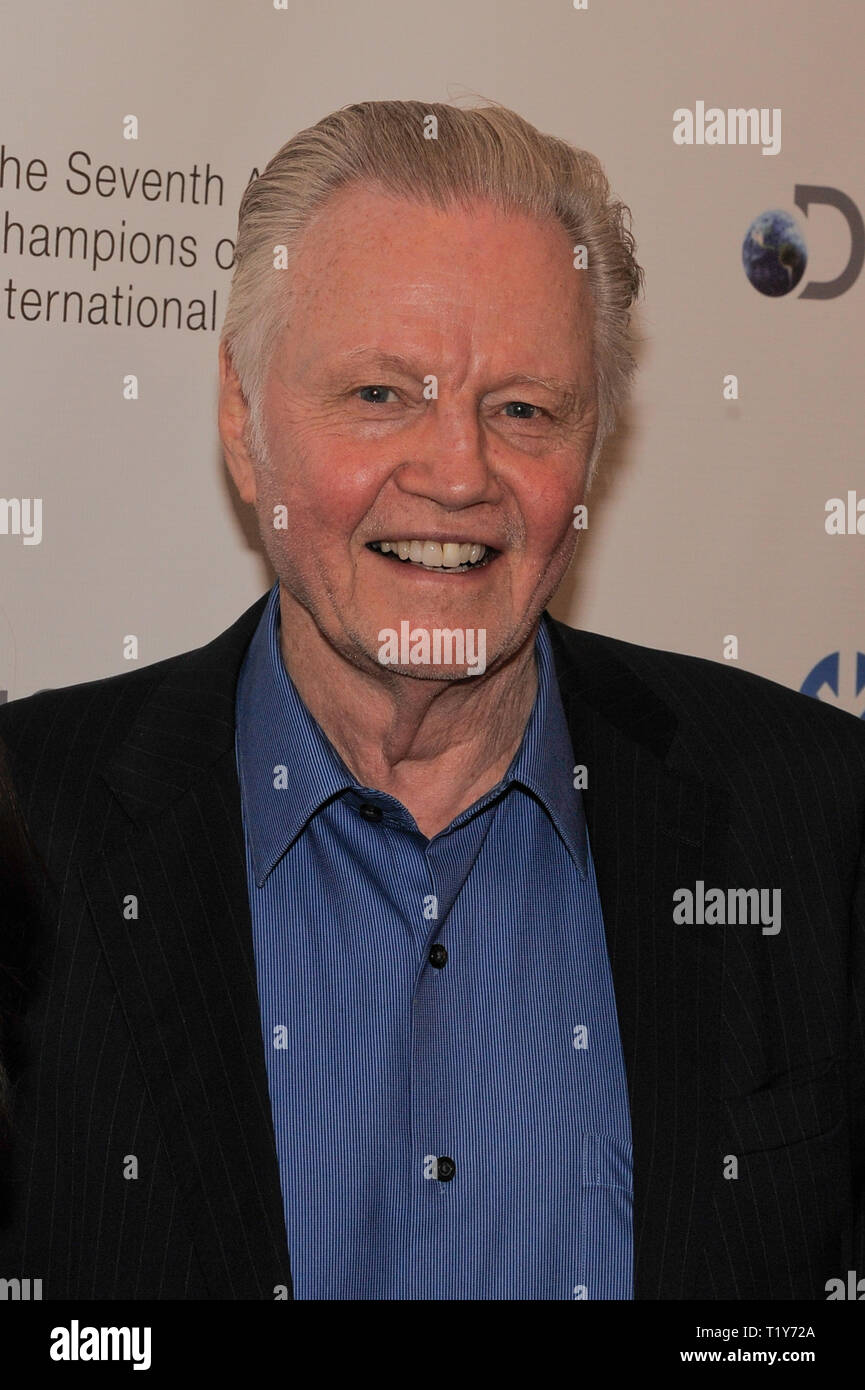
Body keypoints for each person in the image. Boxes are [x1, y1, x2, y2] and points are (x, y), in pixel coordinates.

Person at [0, 98, 863, 1301]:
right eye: (379, 396)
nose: (457, 472)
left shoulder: (818, 819)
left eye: (523, 409)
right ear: (244, 424)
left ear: (595, 446)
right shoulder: (27, 821)